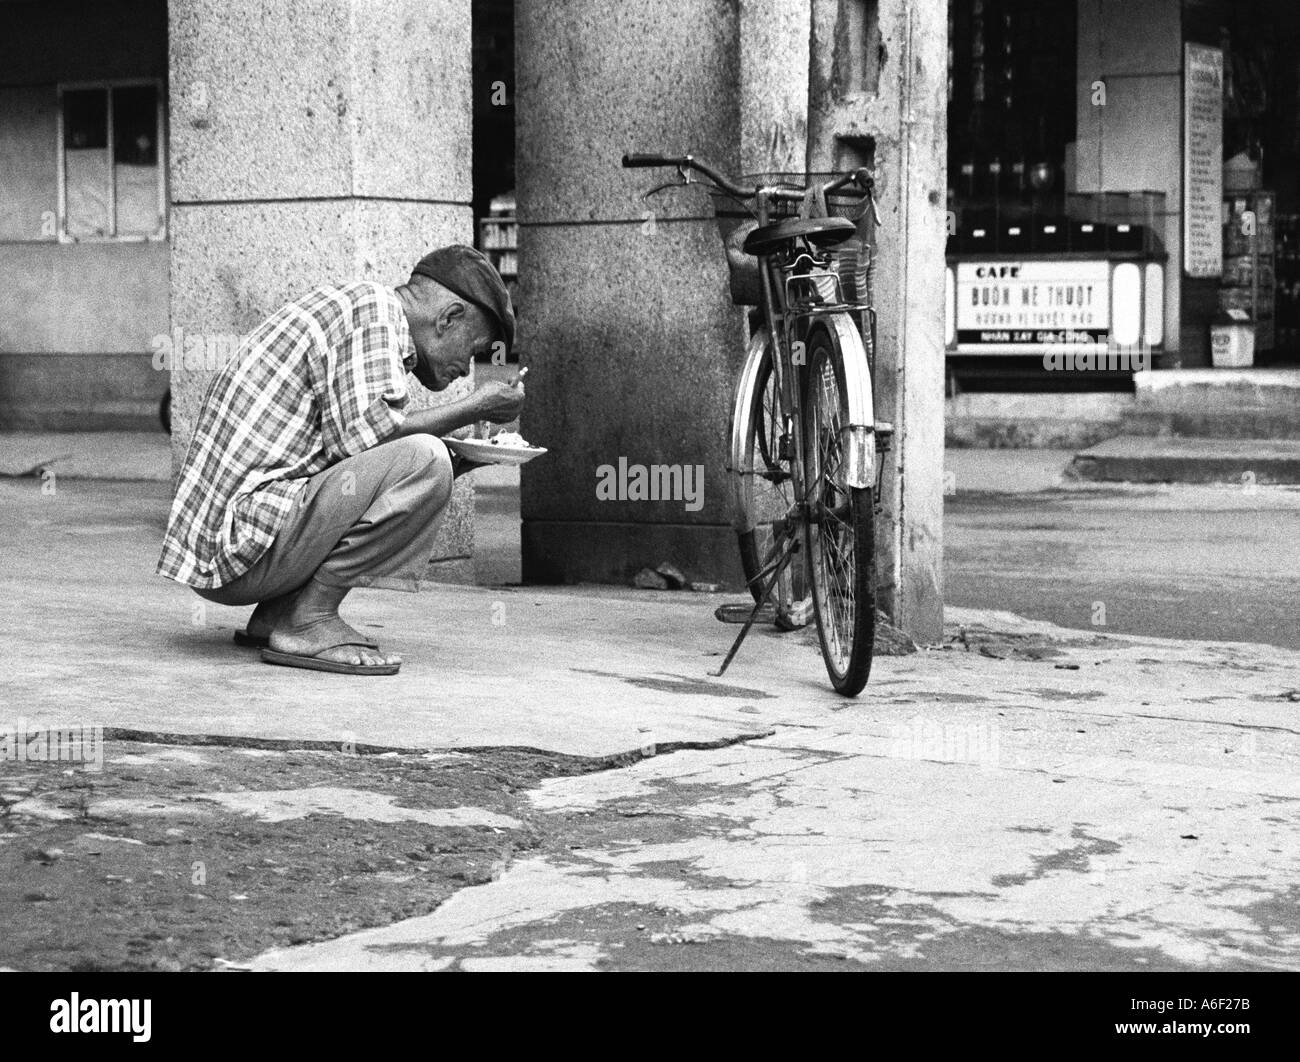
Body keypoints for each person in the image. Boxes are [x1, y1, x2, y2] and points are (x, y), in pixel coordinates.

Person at [157, 246, 524, 676]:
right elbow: (377, 438)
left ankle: (278, 613)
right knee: (425, 459)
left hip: (230, 548)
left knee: (429, 459)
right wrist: (474, 407)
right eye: (475, 350)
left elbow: (351, 453)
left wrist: (459, 454)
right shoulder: (373, 311)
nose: (467, 369)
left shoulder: (361, 309)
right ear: (448, 318)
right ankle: (308, 621)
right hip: (237, 549)